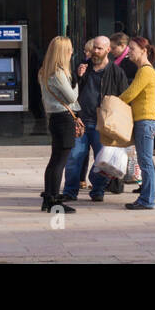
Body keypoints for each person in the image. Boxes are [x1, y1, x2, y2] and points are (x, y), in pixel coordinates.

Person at [63, 34, 129, 202]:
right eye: (94, 47)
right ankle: (70, 191)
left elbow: (123, 98)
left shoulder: (116, 72)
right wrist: (78, 77)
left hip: (103, 124)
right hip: (82, 121)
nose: (95, 51)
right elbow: (70, 92)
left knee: (103, 160)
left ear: (108, 50)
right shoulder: (83, 67)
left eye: (100, 48)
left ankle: (98, 189)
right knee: (74, 157)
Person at [40, 36, 82, 212]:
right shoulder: (58, 73)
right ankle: (55, 201)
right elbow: (72, 97)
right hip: (64, 119)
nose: (72, 52)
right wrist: (78, 79)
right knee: (60, 162)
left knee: (54, 160)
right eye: (70, 49)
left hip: (55, 118)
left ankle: (48, 200)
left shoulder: (44, 71)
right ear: (63, 52)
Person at [118, 36, 155, 209]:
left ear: (144, 50)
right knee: (145, 161)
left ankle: (147, 200)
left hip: (145, 121)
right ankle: (146, 198)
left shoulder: (145, 71)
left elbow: (130, 94)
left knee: (145, 162)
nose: (129, 53)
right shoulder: (144, 70)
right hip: (144, 121)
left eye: (132, 49)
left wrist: (112, 102)